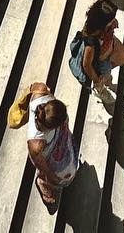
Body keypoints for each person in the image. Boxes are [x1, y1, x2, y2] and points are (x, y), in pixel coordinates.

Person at [20, 86, 79, 214]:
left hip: (60, 141)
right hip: (49, 153)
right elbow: (42, 166)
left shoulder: (40, 92)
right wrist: (52, 177)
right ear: (53, 127)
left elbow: (35, 86)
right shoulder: (36, 144)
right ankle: (42, 183)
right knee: (58, 176)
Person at [68, 0, 124, 109]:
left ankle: (107, 81)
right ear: (102, 24)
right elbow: (87, 65)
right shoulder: (91, 43)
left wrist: (111, 24)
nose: (113, 20)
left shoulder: (100, 25)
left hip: (108, 47)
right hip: (100, 62)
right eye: (111, 19)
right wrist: (97, 80)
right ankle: (101, 89)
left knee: (122, 59)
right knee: (105, 75)